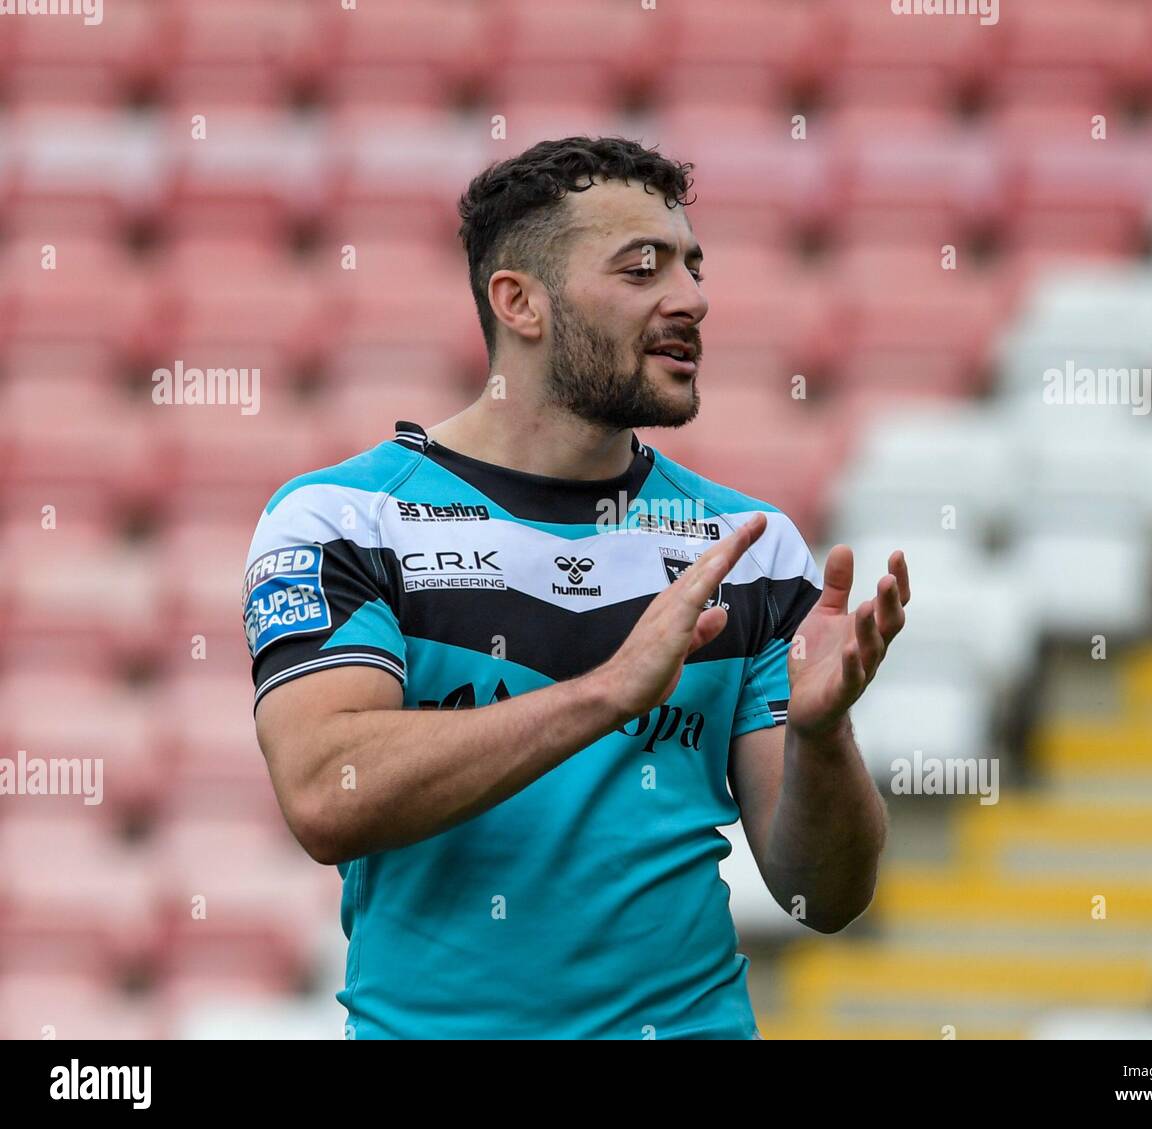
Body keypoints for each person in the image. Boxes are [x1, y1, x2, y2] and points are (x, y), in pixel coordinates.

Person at [243, 136, 908, 1039]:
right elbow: (328, 795)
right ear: (519, 302)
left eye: (692, 267)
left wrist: (824, 738)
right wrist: (602, 694)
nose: (692, 299)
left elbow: (820, 896)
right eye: (643, 269)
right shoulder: (343, 519)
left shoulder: (749, 547)